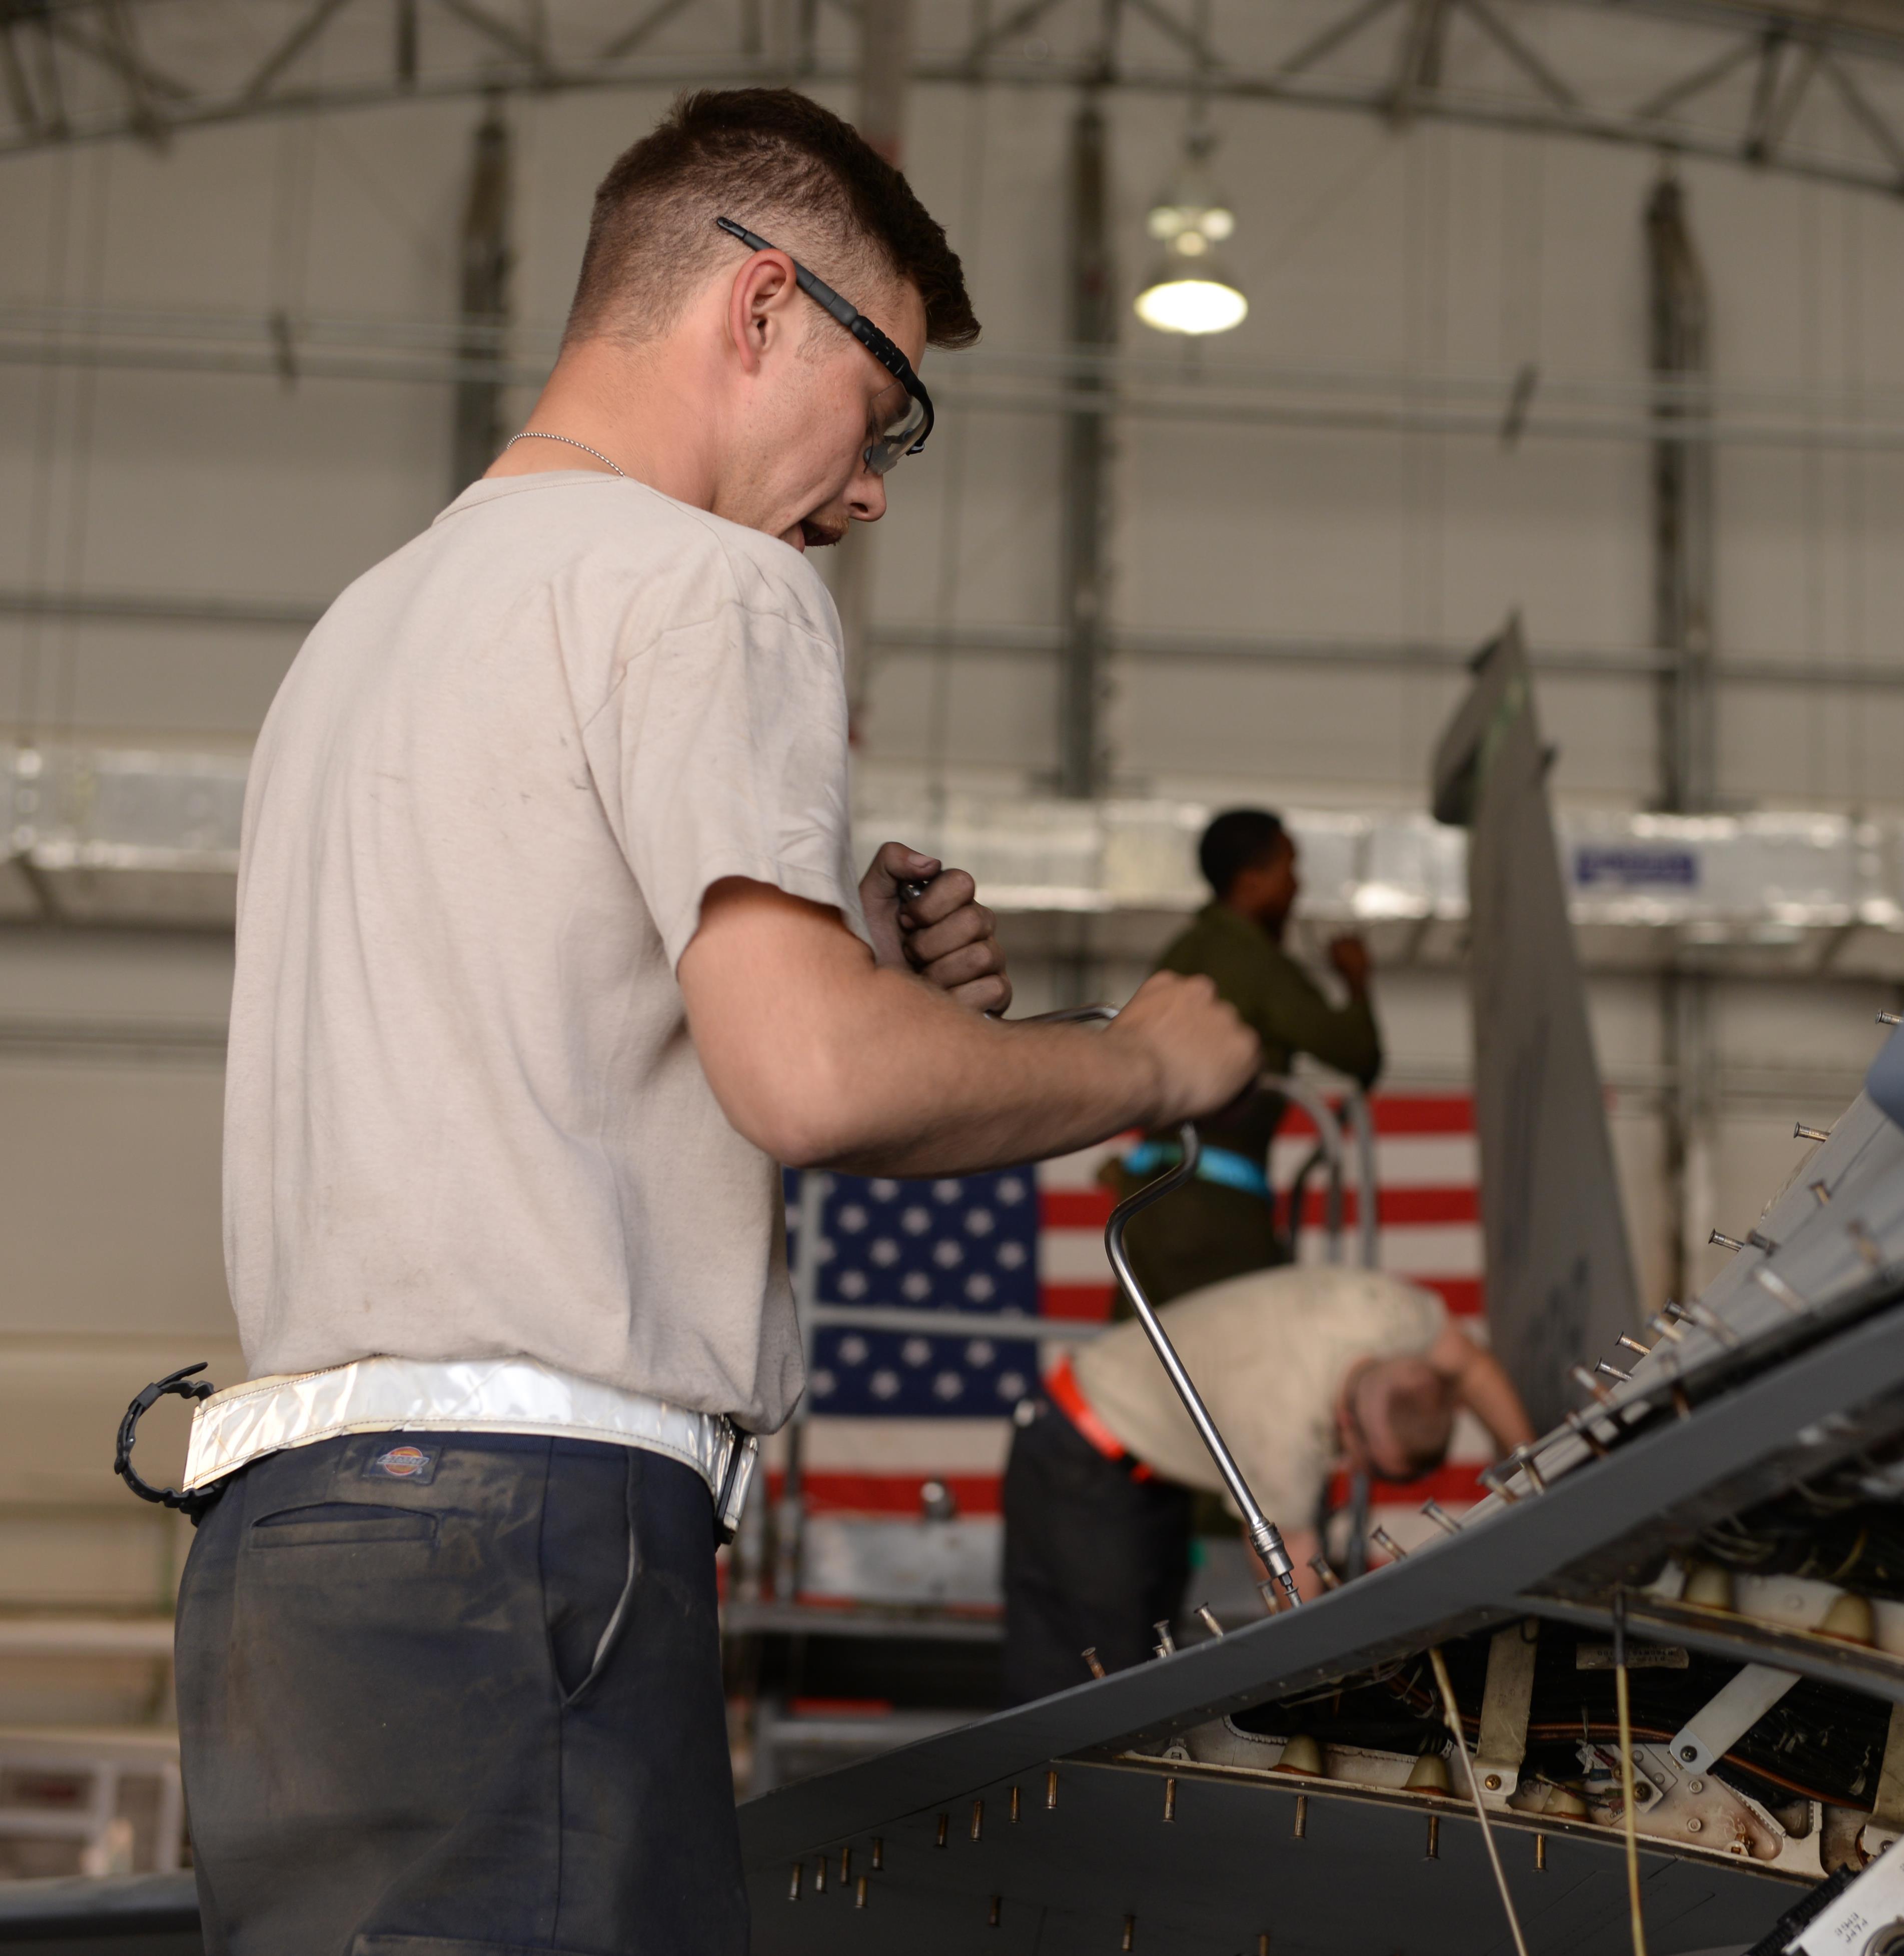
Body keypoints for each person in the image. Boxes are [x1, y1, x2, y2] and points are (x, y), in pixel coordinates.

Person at [174, 90, 1257, 1956]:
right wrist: (1148, 1060)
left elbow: (584, 1048)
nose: (869, 490)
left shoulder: (369, 627)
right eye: (885, 406)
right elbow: (813, 1078)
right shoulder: (709, 584)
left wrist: (868, 981)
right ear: (759, 309)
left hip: (294, 1546)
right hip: (531, 1540)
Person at [999, 1264, 1534, 1704]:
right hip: (1081, 1460)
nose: (1359, 1476)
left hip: (1145, 1464)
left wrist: (1533, 1479)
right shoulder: (1282, 1424)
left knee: (1145, 1659)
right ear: (1348, 1428)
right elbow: (1291, 1583)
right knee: (1089, 1685)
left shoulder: (1384, 1311)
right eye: (1369, 1467)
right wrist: (1340, 1685)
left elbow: (1474, 1369)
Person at [1112, 809, 1383, 1308]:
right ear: (1252, 883)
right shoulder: (1257, 963)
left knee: (1143, 1363)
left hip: (1143, 1200)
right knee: (1244, 1359)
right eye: (1289, 870)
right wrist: (1357, 980)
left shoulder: (1180, 951)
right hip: (1215, 1213)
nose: (1296, 887)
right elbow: (1358, 1053)